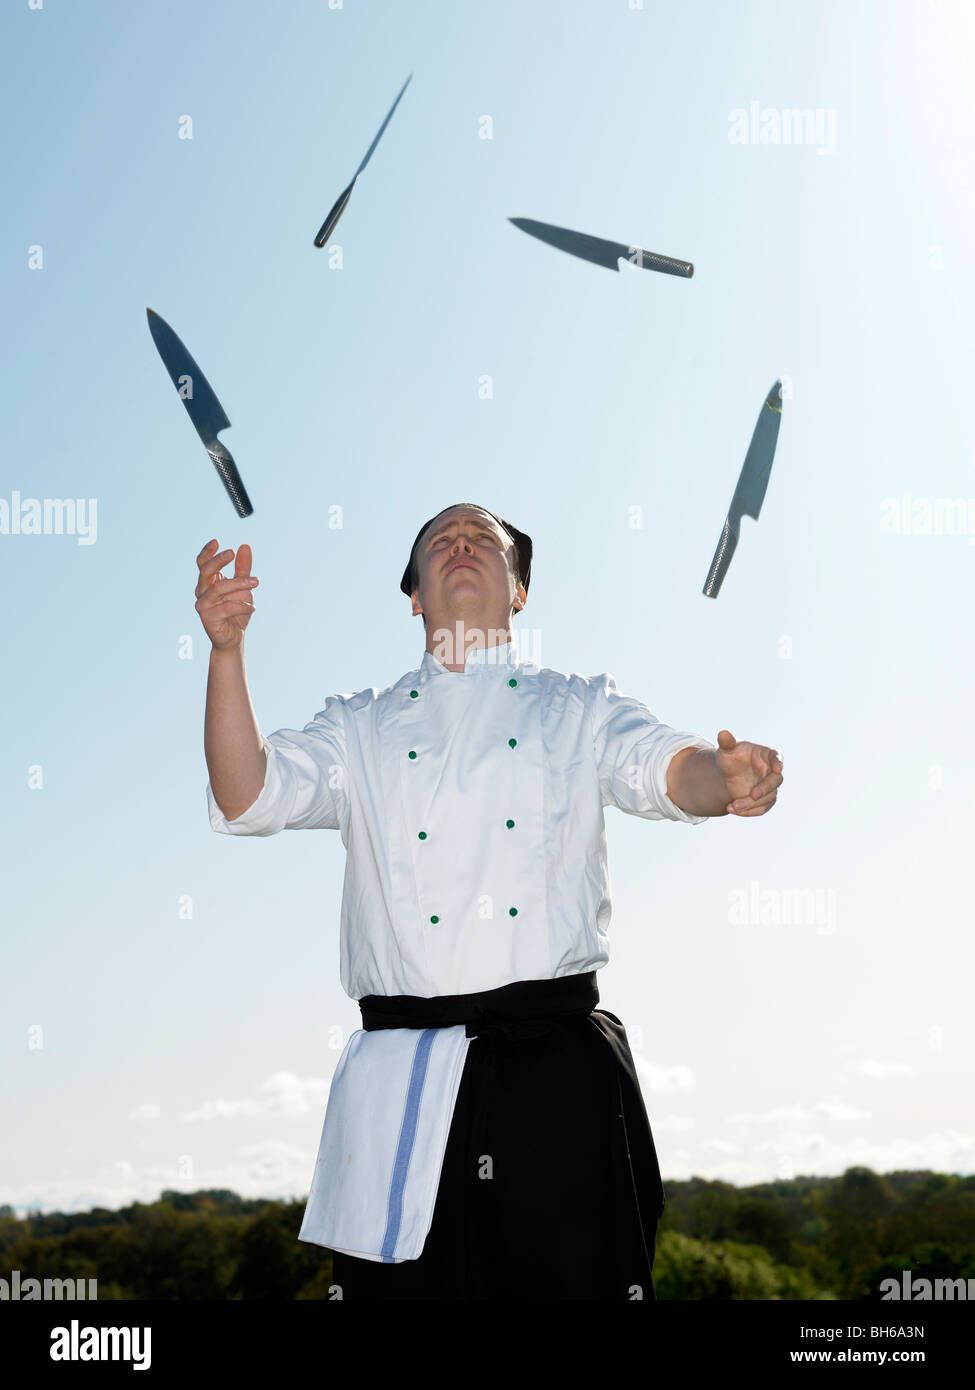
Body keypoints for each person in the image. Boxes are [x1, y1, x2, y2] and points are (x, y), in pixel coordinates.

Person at [196, 502, 784, 1301]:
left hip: (556, 1074)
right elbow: (246, 796)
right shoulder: (358, 727)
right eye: (441, 540)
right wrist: (226, 654)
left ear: (519, 590)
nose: (462, 545)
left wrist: (726, 779)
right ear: (413, 595)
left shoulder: (579, 706)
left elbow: (666, 770)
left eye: (484, 540)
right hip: (401, 1080)